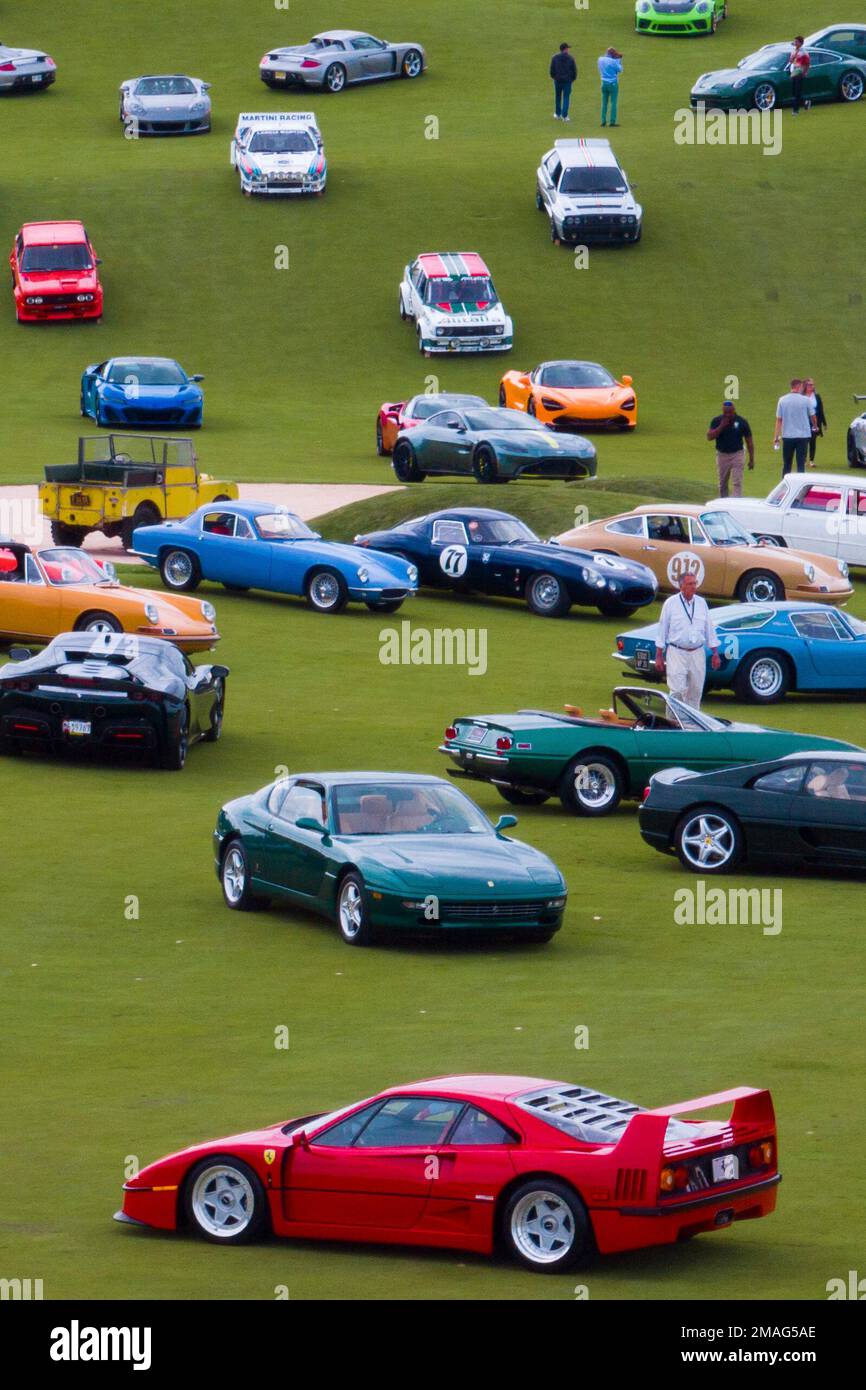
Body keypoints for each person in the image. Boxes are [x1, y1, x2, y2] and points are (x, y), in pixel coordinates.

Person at [654, 572, 721, 711]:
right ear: (681, 586)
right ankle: (673, 721)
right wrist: (659, 655)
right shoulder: (671, 603)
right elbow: (662, 629)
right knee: (677, 690)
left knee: (696, 690)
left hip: (697, 652)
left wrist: (715, 653)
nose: (693, 587)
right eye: (690, 584)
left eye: (695, 583)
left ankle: (693, 722)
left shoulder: (701, 603)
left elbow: (709, 628)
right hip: (677, 652)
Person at [707, 401, 754, 498]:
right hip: (722, 455)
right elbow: (709, 437)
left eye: (730, 412)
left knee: (737, 482)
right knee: (722, 483)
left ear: (734, 410)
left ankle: (735, 503)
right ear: (722, 411)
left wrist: (751, 459)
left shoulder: (742, 422)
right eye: (725, 412)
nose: (728, 415)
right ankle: (723, 502)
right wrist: (721, 426)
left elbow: (749, 441)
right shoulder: (717, 421)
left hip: (737, 454)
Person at [774, 378, 817, 475]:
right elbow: (813, 416)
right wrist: (815, 426)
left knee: (787, 464)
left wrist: (776, 437)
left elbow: (779, 420)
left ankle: (785, 482)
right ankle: (801, 483)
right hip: (803, 436)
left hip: (788, 436)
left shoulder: (782, 400)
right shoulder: (806, 400)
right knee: (801, 464)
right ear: (799, 387)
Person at [550, 42, 577, 122]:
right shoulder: (571, 58)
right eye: (568, 48)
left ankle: (557, 114)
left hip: (557, 80)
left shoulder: (555, 58)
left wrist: (554, 77)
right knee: (566, 98)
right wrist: (572, 79)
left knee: (558, 97)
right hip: (567, 81)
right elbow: (574, 70)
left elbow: (552, 69)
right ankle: (565, 116)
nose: (568, 50)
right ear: (565, 49)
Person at [803, 377, 827, 467]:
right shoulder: (801, 396)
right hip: (804, 421)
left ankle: (811, 460)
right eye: (809, 385)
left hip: (814, 421)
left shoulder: (816, 396)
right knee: (804, 440)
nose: (811, 386)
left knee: (812, 440)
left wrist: (824, 423)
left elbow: (821, 410)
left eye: (812, 385)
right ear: (805, 386)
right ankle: (803, 460)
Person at [598, 47, 623, 127]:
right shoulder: (613, 61)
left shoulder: (600, 59)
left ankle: (603, 121)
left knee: (604, 103)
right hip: (613, 84)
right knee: (613, 103)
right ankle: (612, 122)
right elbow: (620, 69)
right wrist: (619, 60)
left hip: (603, 83)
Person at [788, 37, 811, 115]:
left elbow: (807, 63)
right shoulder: (793, 51)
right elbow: (791, 61)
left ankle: (795, 110)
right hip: (793, 72)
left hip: (799, 71)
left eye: (797, 42)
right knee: (794, 92)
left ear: (801, 43)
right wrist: (794, 55)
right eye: (795, 42)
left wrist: (805, 72)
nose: (795, 43)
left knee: (797, 91)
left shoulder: (804, 52)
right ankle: (805, 102)